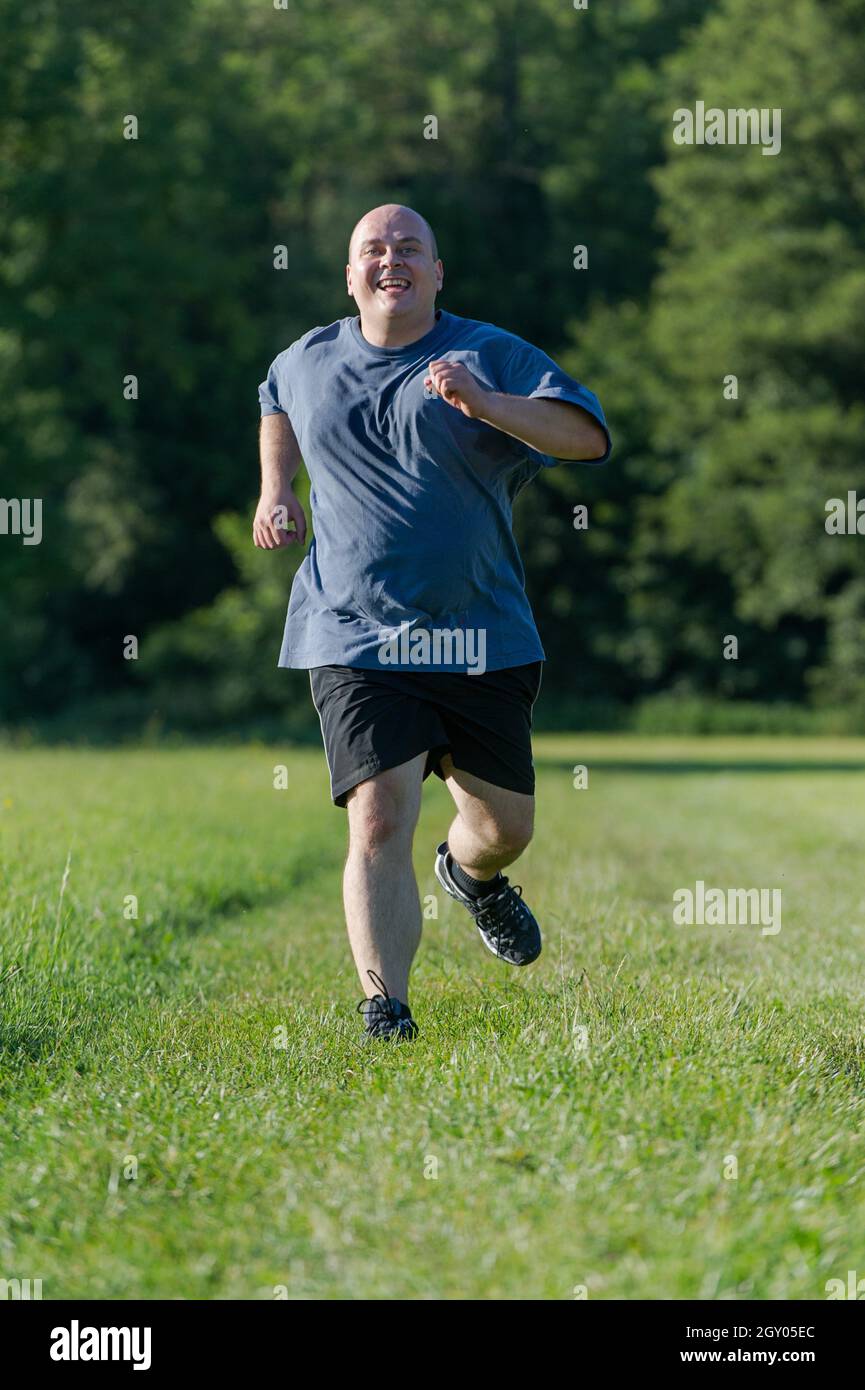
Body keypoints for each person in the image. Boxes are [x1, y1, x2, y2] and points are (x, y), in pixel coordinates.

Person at [254, 203, 611, 1041]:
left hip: (478, 634)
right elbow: (274, 399)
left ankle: (472, 876)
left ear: (437, 272)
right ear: (350, 275)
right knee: (377, 818)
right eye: (372, 249)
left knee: (504, 829)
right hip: (355, 633)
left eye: (409, 248)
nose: (390, 259)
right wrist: (276, 491)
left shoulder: (489, 352)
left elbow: (585, 437)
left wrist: (486, 403)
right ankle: (386, 1008)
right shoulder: (305, 359)